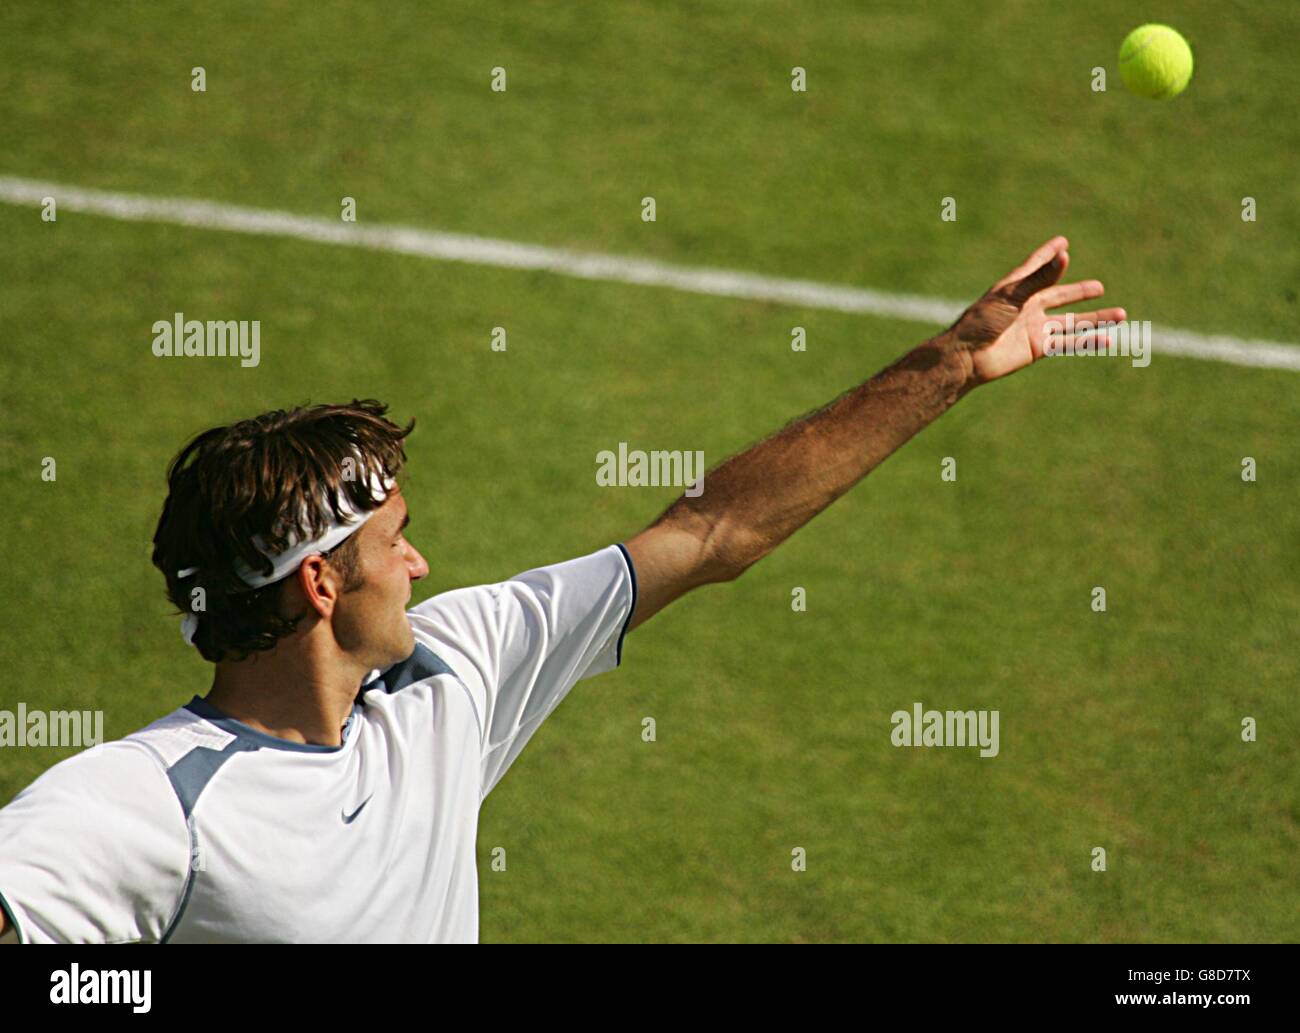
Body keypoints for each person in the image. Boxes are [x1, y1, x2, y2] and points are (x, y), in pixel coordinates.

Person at [0, 236, 1121, 943]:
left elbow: (713, 528)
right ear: (321, 578)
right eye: (399, 540)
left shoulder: (454, 669)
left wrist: (951, 366)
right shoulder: (146, 804)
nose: (421, 564)